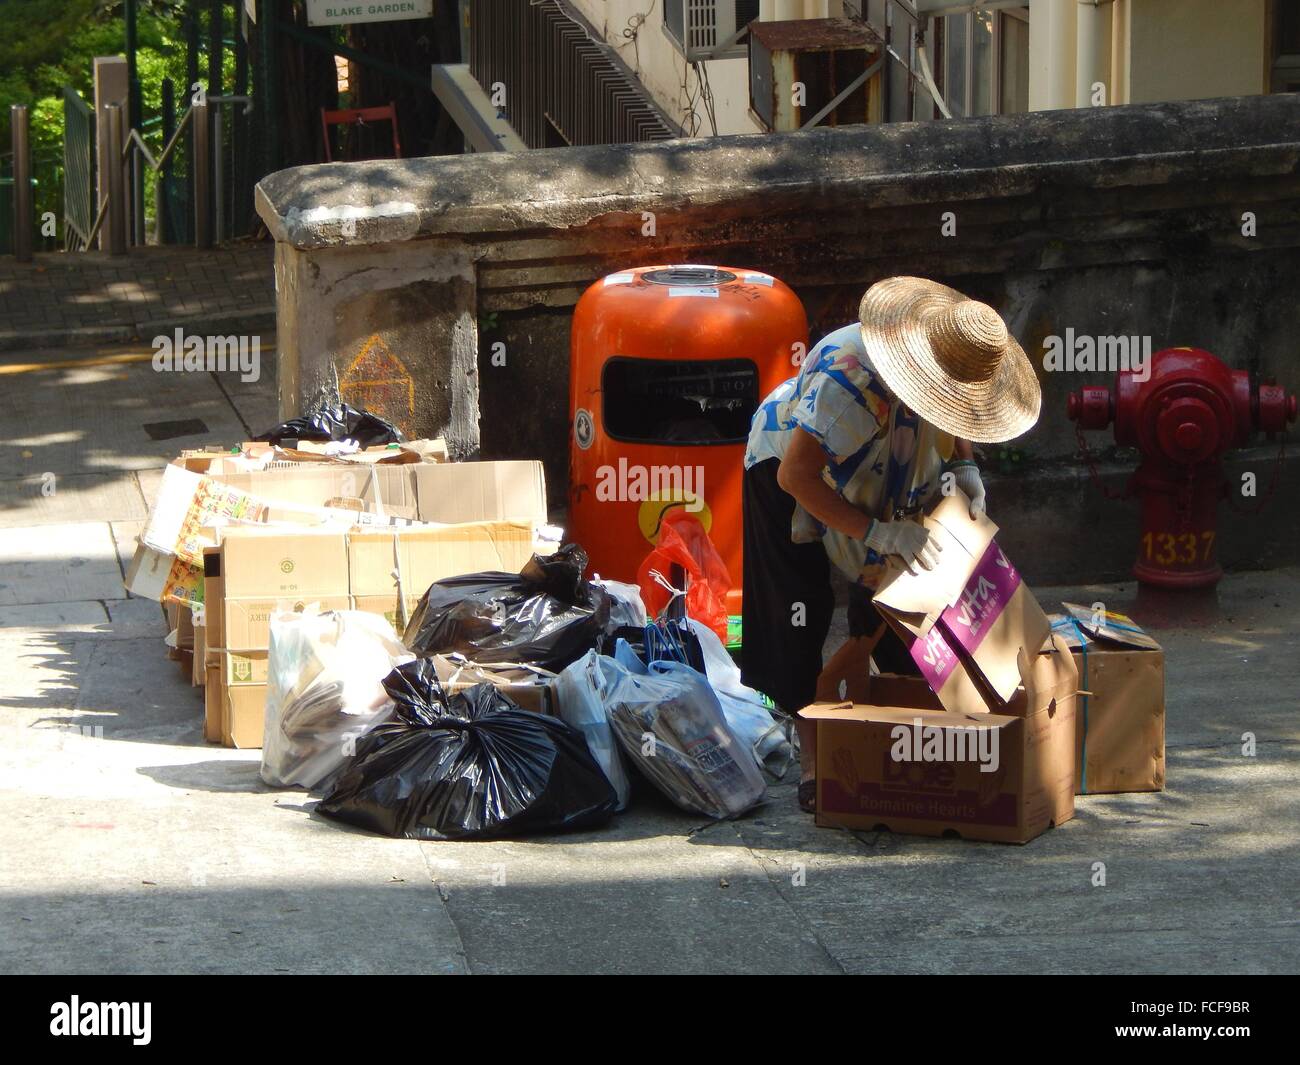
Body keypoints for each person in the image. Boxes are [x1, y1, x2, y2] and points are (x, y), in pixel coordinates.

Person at [740, 276, 1042, 812]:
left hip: (892, 453)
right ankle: (815, 755)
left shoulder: (945, 366)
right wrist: (876, 533)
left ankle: (888, 715)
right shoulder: (848, 385)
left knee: (899, 592)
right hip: (790, 466)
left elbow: (959, 411)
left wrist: (965, 463)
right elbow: (797, 477)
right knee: (800, 609)